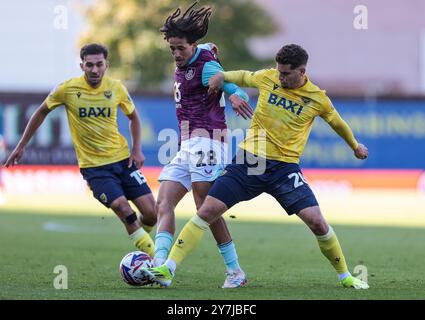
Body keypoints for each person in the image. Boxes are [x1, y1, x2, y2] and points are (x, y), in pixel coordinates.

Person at [143, 44, 370, 290]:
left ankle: (345, 275)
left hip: (284, 169)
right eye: (278, 71)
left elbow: (337, 123)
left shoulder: (317, 98)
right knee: (207, 209)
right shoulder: (267, 77)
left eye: (285, 73)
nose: (280, 77)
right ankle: (168, 268)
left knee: (316, 221)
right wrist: (220, 77)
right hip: (249, 160)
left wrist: (354, 145)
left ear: (302, 71)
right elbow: (240, 76)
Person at [3, 43, 157, 258]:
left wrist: (137, 149)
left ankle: (141, 234)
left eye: (99, 64)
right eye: (89, 65)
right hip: (95, 169)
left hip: (123, 160)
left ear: (107, 65)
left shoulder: (116, 88)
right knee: (123, 208)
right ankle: (154, 258)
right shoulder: (67, 89)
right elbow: (41, 112)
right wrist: (21, 146)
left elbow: (134, 118)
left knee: (152, 214)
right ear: (82, 66)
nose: (95, 70)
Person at [152, 2, 253, 288]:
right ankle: (159, 266)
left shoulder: (206, 66)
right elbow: (206, 47)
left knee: (205, 206)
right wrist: (208, 45)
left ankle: (235, 271)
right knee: (164, 201)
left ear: (191, 44)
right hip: (187, 142)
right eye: (171, 48)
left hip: (209, 139)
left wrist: (234, 94)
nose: (175, 54)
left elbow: (224, 82)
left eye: (179, 48)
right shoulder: (198, 51)